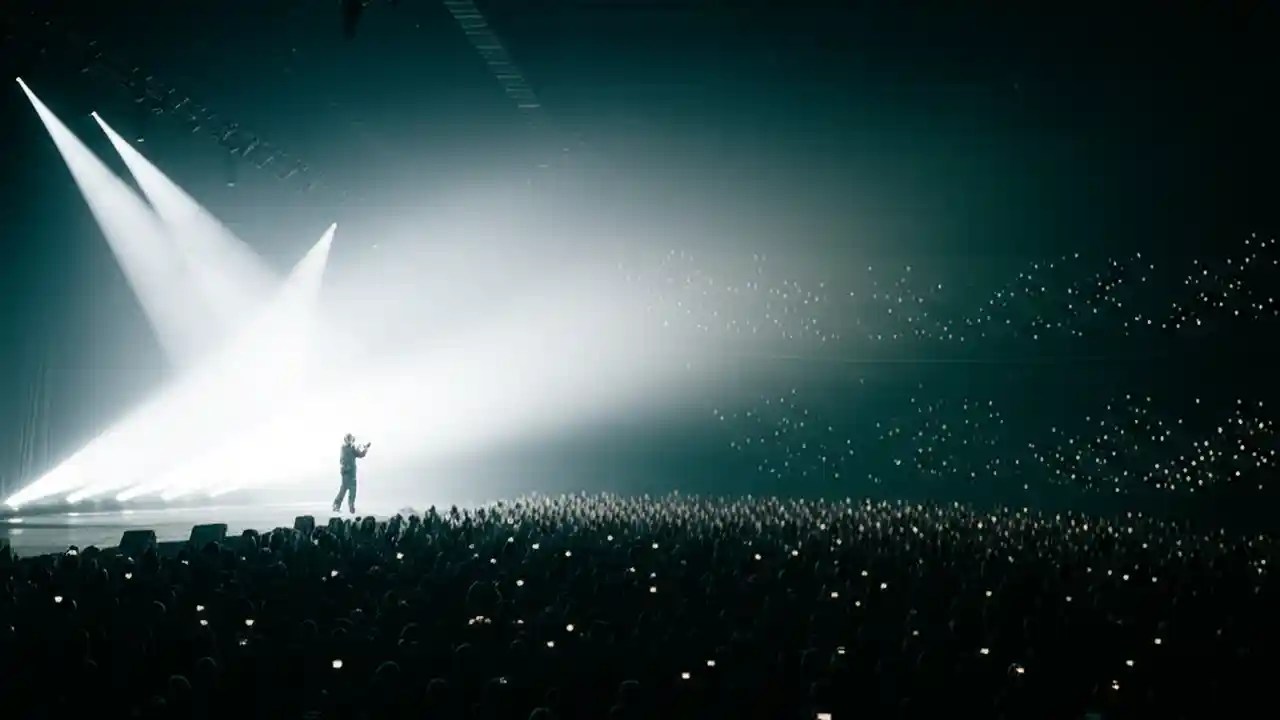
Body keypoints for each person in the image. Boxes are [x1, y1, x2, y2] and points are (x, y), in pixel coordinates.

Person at [332, 433, 370, 514]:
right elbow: (343, 459)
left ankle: (351, 507)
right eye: (349, 439)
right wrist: (345, 467)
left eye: (351, 439)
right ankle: (337, 505)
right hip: (347, 473)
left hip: (351, 474)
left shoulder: (351, 448)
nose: (350, 441)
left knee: (352, 491)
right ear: (346, 440)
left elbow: (361, 454)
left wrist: (365, 449)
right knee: (344, 490)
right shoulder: (345, 448)